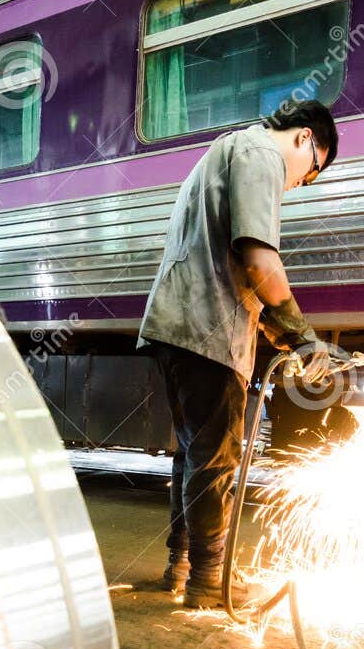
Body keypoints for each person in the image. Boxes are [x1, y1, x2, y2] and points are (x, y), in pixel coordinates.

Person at [137, 99, 350, 609]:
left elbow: (235, 263)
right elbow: (258, 259)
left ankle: (182, 565)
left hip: (178, 325)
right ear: (304, 137)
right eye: (311, 171)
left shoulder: (228, 150)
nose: (300, 183)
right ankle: (209, 581)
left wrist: (288, 338)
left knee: (193, 453)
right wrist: (303, 335)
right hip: (208, 330)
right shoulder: (261, 154)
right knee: (215, 459)